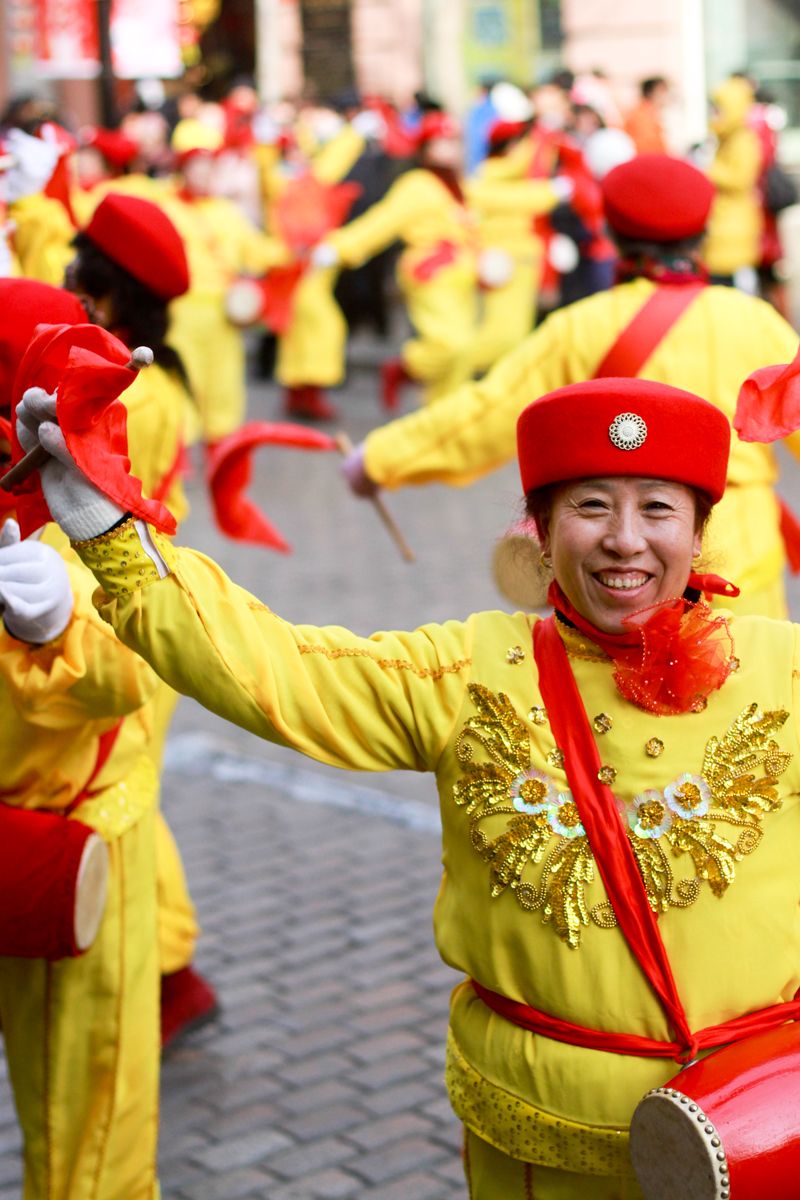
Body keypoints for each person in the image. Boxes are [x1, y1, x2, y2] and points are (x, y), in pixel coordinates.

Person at [17, 341, 800, 1198]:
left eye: (658, 508)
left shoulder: (782, 672)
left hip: (748, 1132)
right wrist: (108, 534)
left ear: (698, 530)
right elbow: (275, 668)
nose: (624, 540)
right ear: (538, 529)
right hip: (533, 1144)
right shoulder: (463, 670)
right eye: (589, 506)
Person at [341, 154, 800, 620]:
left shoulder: (578, 327)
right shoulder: (755, 321)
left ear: (612, 234)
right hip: (743, 551)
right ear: (705, 233)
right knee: (752, 682)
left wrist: (380, 459)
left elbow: (484, 414)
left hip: (623, 555)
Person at [312, 110, 480, 409]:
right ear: (426, 149)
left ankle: (445, 414)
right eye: (441, 143)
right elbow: (383, 222)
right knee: (451, 346)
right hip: (432, 273)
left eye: (453, 142)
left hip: (461, 276)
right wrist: (340, 247)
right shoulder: (417, 184)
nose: (449, 149)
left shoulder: (460, 186)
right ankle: (404, 369)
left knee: (463, 355)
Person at [702, 76, 763, 289]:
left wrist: (708, 170)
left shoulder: (743, 140)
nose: (714, 114)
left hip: (733, 225)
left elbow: (741, 179)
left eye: (720, 109)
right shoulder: (726, 139)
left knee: (733, 289)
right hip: (725, 222)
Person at [623, 77, 670, 155]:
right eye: (662, 91)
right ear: (650, 93)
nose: (666, 95)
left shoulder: (651, 114)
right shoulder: (641, 116)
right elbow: (647, 149)